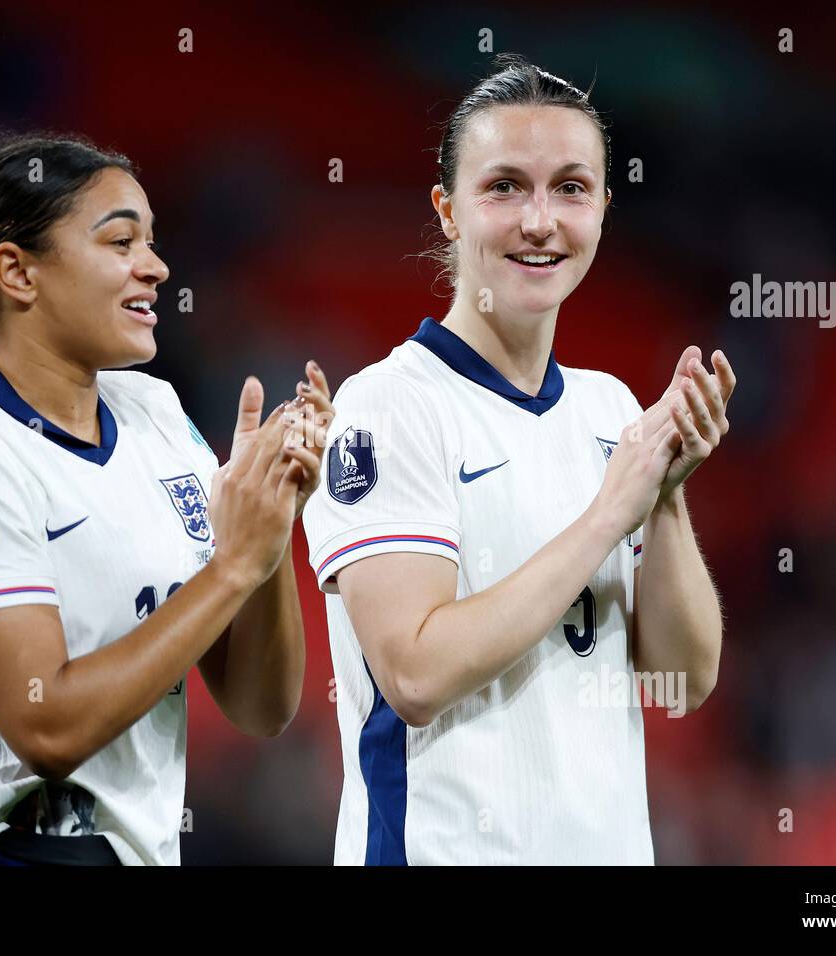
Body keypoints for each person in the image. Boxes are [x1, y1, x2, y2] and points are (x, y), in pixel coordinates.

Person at [301, 56, 736, 865]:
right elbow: (417, 675)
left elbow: (684, 680)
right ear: (448, 212)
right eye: (504, 187)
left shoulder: (611, 411)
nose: (541, 221)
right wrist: (610, 513)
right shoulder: (388, 407)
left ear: (604, 209)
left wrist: (667, 497)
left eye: (571, 188)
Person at [0, 133, 331, 865]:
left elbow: (261, 707)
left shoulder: (158, 416)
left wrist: (267, 530)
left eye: (153, 241)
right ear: (17, 271)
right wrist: (232, 567)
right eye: (121, 242)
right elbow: (47, 730)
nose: (157, 267)